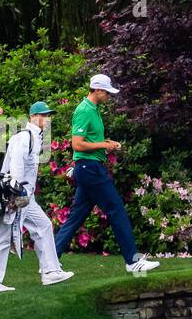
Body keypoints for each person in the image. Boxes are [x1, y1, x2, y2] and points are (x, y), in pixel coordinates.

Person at [53, 74, 161, 275]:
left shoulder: (94, 110)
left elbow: (89, 141)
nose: (109, 97)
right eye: (107, 93)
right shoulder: (84, 110)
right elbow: (77, 144)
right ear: (98, 90)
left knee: (76, 216)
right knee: (116, 209)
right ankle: (132, 262)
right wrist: (103, 145)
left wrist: (107, 145)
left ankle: (50, 261)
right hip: (89, 169)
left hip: (90, 168)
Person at [0, 102, 74, 293]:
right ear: (33, 117)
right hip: (16, 197)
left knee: (43, 225)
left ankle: (50, 271)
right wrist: (16, 197)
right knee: (2, 235)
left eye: (48, 116)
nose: (46, 119)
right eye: (43, 115)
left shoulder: (34, 137)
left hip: (25, 198)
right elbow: (16, 168)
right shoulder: (25, 138)